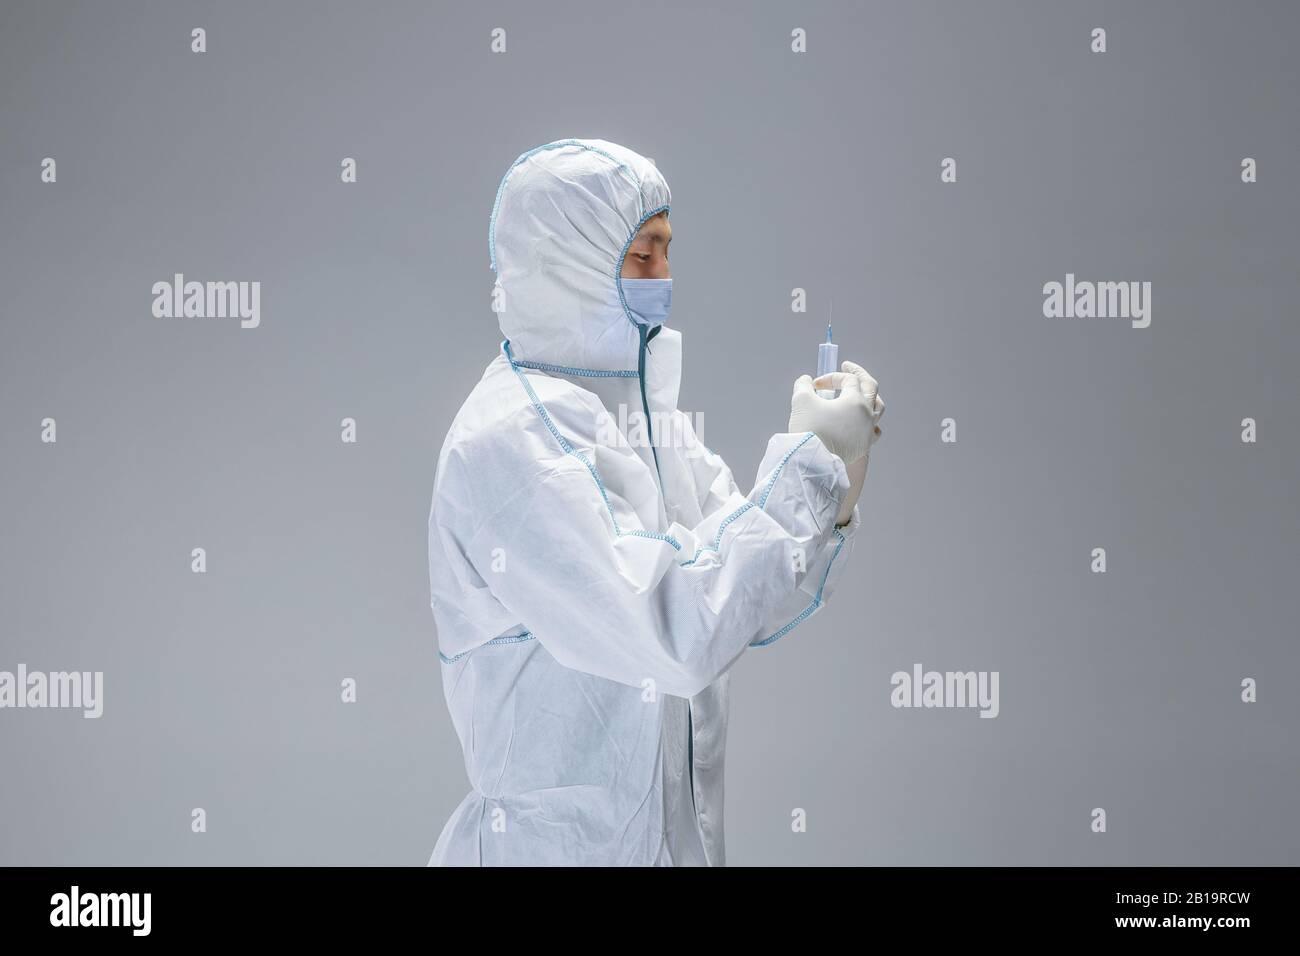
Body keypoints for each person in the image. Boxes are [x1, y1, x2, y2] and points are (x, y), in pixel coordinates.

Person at [426, 139, 885, 865]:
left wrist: (832, 487)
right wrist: (802, 473)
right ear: (568, 261)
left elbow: (743, 600)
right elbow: (673, 635)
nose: (664, 277)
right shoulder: (510, 442)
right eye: (642, 255)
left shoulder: (643, 422)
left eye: (667, 251)